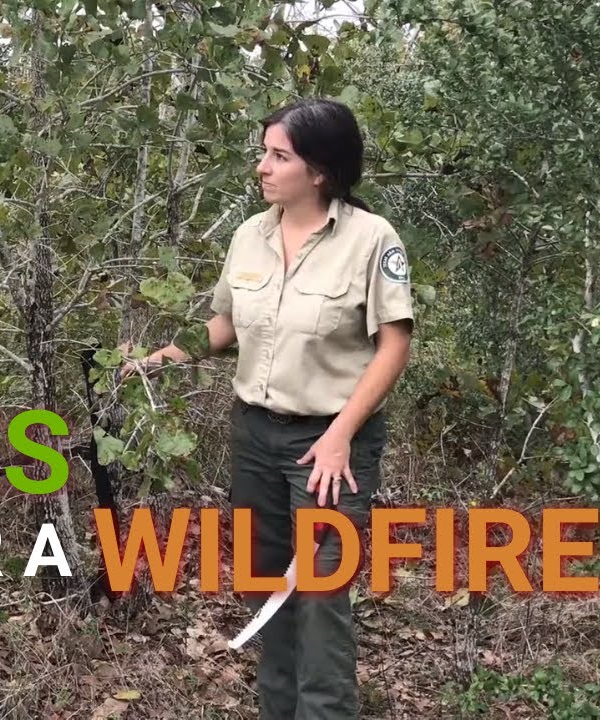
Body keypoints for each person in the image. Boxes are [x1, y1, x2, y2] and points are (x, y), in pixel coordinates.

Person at [126, 98, 414, 719]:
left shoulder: (370, 240)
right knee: (267, 589)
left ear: (319, 171)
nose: (262, 167)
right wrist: (161, 358)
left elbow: (395, 343)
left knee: (319, 596)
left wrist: (340, 435)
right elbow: (226, 324)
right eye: (264, 152)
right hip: (256, 436)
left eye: (278, 156)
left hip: (330, 447)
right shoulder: (249, 235)